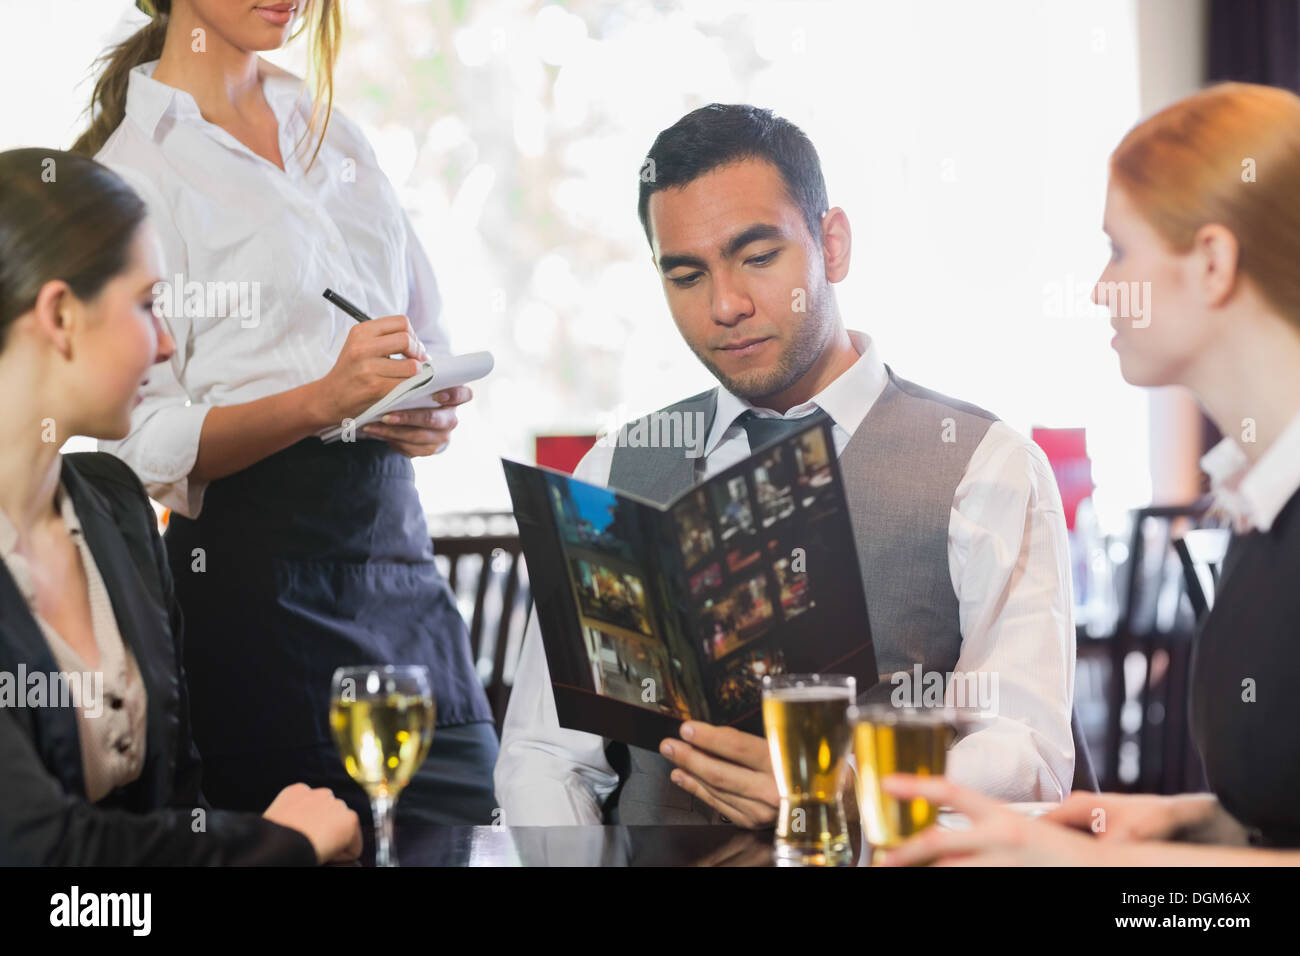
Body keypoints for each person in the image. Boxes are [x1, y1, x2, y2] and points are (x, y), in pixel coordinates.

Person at [495, 104, 1084, 826]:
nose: (726, 304)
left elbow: (1027, 753)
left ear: (831, 246)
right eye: (686, 275)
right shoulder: (615, 468)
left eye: (759, 257)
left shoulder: (985, 467)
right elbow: (547, 758)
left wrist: (840, 784)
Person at [72, 0, 497, 829]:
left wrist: (424, 408)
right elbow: (133, 446)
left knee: (467, 835)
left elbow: (423, 332)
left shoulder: (338, 134)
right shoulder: (133, 172)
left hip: (405, 583)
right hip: (257, 606)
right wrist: (320, 402)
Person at [881, 82, 1300, 865]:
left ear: (1212, 261)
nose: (1103, 288)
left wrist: (1095, 864)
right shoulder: (1261, 507)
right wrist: (1187, 822)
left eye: (1119, 250)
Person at [0, 147, 360, 865]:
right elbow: (37, 848)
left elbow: (178, 802)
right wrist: (279, 845)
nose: (166, 345)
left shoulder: (114, 506)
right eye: (145, 304)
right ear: (61, 315)